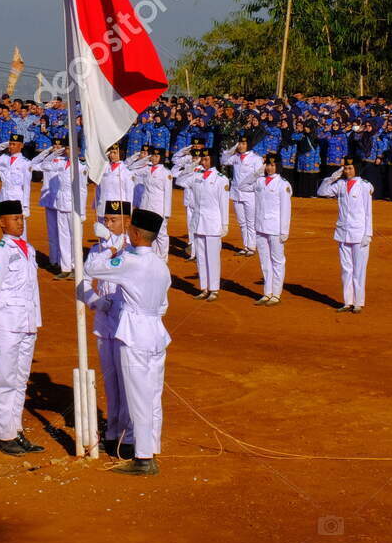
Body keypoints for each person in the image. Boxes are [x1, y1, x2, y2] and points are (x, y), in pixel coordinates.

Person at [83, 206, 172, 477]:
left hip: (135, 334)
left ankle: (143, 458)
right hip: (156, 331)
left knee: (138, 397)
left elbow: (92, 268)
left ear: (134, 233)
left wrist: (111, 247)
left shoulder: (131, 262)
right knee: (153, 395)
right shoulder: (160, 263)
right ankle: (151, 446)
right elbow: (162, 304)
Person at [0, 199, 45, 455]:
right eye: (14, 218)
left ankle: (16, 430)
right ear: (1, 222)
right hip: (5, 322)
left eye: (21, 218)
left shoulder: (29, 249)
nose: (19, 222)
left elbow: (33, 289)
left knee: (21, 380)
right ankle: (4, 435)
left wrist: (36, 320)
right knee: (5, 380)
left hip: (26, 322)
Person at [80, 200, 133, 451]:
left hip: (127, 323)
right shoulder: (96, 250)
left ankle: (130, 435)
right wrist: (94, 302)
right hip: (104, 322)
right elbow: (83, 282)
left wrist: (112, 246)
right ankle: (112, 432)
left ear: (127, 222)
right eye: (105, 220)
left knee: (128, 382)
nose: (107, 224)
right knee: (111, 382)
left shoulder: (133, 249)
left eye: (113, 220)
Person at [317, 156, 374, 312]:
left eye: (350, 168)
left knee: (359, 269)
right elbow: (321, 191)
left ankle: (358, 302)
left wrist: (368, 234)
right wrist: (334, 175)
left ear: (356, 169)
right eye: (346, 168)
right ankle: (347, 301)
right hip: (343, 232)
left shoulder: (364, 186)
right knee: (346, 269)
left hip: (359, 232)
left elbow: (368, 212)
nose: (348, 171)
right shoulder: (340, 184)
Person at [174, 146, 229, 300]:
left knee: (212, 257)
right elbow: (179, 180)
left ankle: (214, 289)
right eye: (202, 159)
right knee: (201, 257)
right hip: (198, 222)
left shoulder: (220, 179)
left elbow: (223, 204)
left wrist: (224, 224)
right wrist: (192, 166)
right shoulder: (197, 176)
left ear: (213, 160)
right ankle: (204, 287)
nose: (203, 162)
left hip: (212, 223)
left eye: (206, 159)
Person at [31, 140, 85, 279]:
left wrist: (83, 212)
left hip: (74, 206)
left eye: (71, 148)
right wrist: (53, 153)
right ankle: (65, 268)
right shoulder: (61, 163)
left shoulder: (81, 167)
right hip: (60, 204)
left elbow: (83, 190)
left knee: (75, 238)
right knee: (63, 237)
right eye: (66, 148)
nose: (68, 151)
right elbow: (44, 165)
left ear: (78, 150)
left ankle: (75, 267)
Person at [252, 152, 293, 305]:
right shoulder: (260, 181)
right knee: (264, 261)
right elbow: (243, 184)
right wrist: (258, 170)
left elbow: (285, 209)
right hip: (261, 226)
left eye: (273, 165)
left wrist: (284, 230)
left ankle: (276, 293)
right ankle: (267, 292)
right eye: (268, 164)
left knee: (277, 261)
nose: (269, 168)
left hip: (275, 228)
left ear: (278, 166)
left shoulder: (283, 184)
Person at [223, 139, 263, 256]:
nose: (241, 146)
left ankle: (252, 246)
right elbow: (224, 159)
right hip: (236, 193)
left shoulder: (256, 158)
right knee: (242, 222)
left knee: (250, 222)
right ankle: (246, 246)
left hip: (250, 194)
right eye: (239, 143)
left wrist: (250, 188)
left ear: (248, 145)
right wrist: (233, 147)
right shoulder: (235, 157)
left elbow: (259, 177)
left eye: (243, 144)